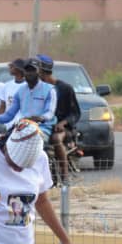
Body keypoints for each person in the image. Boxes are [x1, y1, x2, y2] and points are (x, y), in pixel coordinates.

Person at [37, 55, 81, 183]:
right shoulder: (37, 89)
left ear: (42, 72)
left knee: (56, 138)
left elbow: (75, 113)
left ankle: (65, 176)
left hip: (61, 129)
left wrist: (63, 122)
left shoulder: (65, 89)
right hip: (42, 126)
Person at [0, 57, 56, 137]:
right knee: (1, 143)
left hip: (41, 129)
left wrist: (41, 118)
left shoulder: (49, 90)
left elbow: (50, 112)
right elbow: (9, 114)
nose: (30, 73)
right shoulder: (20, 91)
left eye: (33, 70)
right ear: (24, 72)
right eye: (27, 70)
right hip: (22, 128)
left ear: (39, 72)